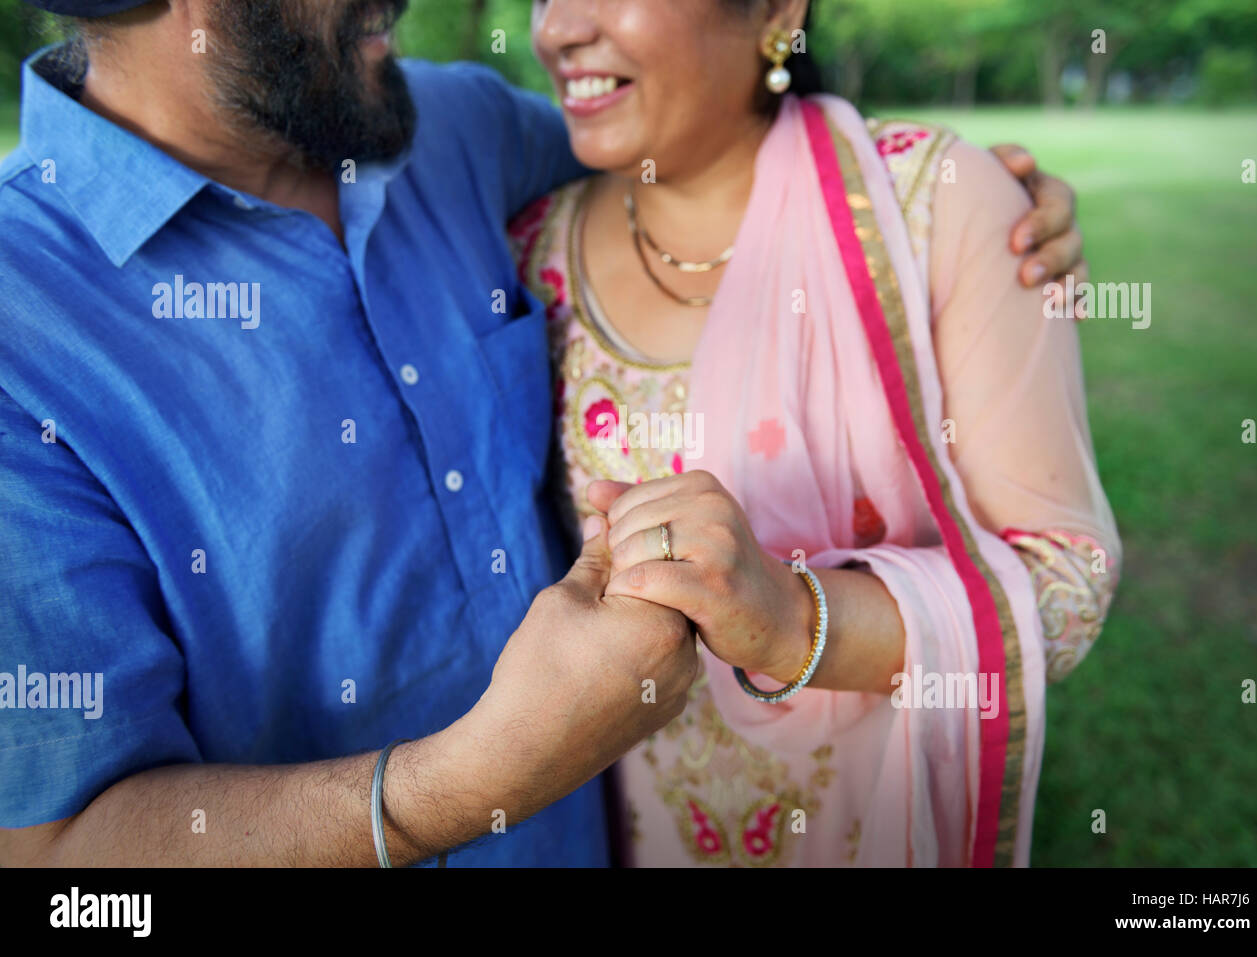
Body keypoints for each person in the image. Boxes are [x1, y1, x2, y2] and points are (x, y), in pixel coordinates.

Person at [0, 0, 1087, 867]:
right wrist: (465, 786)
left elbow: (711, 143)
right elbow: (58, 855)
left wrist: (941, 206)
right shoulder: (22, 326)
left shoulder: (450, 129)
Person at [510, 0, 1120, 866]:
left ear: (777, 11)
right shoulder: (531, 252)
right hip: (629, 824)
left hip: (880, 819)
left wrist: (791, 618)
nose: (555, 29)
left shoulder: (930, 210)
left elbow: (1066, 580)